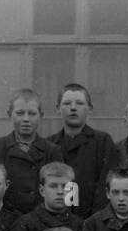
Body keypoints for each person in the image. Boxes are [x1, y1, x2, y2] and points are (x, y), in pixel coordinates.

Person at [0, 88, 63, 216]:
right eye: (20, 113)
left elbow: (66, 188)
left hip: (42, 219)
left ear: (41, 116)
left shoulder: (52, 150)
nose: (26, 119)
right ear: (9, 114)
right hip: (6, 219)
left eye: (32, 113)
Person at [47, 83, 116, 219]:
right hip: (56, 220)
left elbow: (106, 184)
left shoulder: (102, 141)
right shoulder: (49, 144)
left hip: (93, 220)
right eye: (67, 103)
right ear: (57, 108)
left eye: (79, 103)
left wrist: (94, 220)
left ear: (90, 108)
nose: (73, 108)